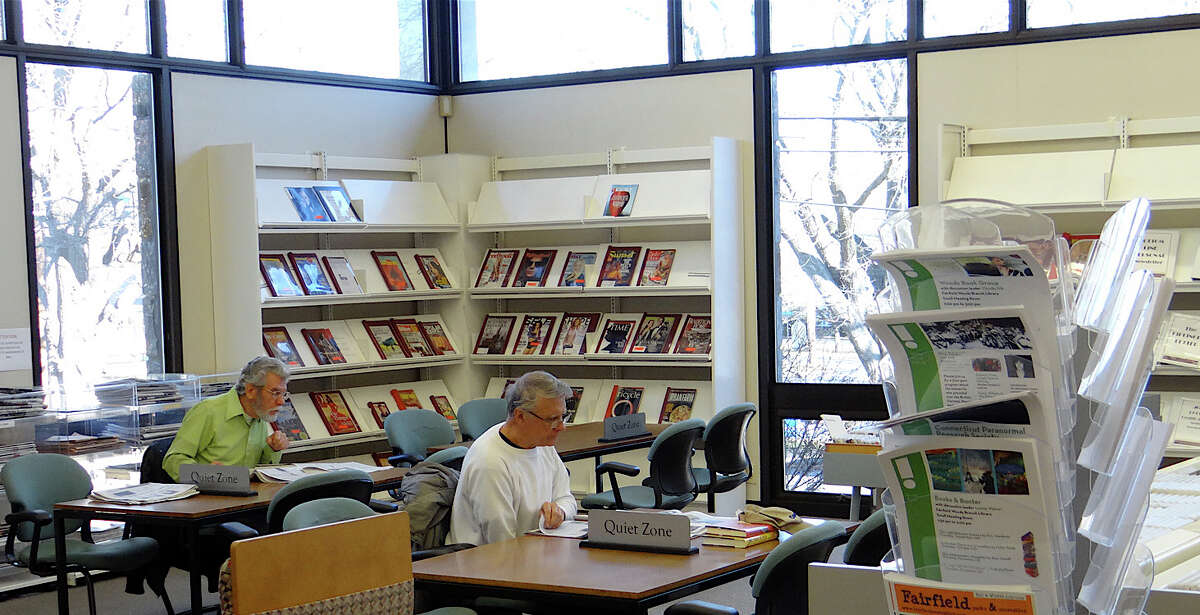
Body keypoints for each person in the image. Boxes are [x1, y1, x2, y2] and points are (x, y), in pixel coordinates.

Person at [448, 371, 578, 545]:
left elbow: (567, 498)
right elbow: (501, 543)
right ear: (520, 416)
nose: (561, 427)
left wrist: (560, 511)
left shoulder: (541, 443)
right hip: (484, 563)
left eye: (563, 417)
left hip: (533, 549)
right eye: (552, 419)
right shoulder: (490, 461)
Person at [163, 356, 291, 481]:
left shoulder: (260, 414)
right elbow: (172, 460)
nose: (281, 401)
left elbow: (256, 470)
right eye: (275, 393)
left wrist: (273, 449)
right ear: (251, 390)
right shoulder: (208, 411)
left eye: (283, 394)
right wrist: (205, 474)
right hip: (208, 497)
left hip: (245, 496)